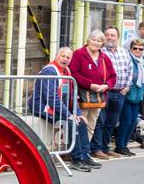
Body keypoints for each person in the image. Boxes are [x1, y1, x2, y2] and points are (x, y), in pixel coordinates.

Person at [31, 46, 98, 171]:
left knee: (81, 121)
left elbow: (71, 95)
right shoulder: (50, 71)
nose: (65, 59)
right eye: (63, 56)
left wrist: (78, 113)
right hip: (44, 108)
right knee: (72, 122)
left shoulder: (66, 71)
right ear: (57, 56)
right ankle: (76, 159)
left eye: (68, 57)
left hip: (57, 107)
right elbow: (52, 98)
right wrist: (68, 115)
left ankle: (85, 155)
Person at [70, 30, 116, 161]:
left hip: (98, 98)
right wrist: (91, 85)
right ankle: (78, 155)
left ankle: (85, 152)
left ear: (103, 44)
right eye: (94, 39)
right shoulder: (78, 54)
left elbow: (113, 76)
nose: (96, 42)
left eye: (99, 41)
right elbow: (74, 73)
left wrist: (106, 86)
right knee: (81, 126)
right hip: (82, 96)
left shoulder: (104, 57)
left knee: (91, 125)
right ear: (88, 40)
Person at [97, 27, 133, 156]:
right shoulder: (100, 52)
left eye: (112, 35)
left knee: (111, 123)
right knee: (100, 121)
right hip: (105, 92)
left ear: (117, 37)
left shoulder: (124, 52)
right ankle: (97, 148)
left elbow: (130, 70)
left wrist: (127, 87)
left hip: (120, 93)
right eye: (107, 35)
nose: (109, 37)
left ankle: (105, 148)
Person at [116, 37, 144, 156]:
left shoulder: (143, 61)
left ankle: (124, 146)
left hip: (138, 97)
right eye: (135, 48)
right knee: (125, 122)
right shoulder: (128, 59)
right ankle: (120, 146)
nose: (137, 51)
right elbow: (126, 75)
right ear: (130, 49)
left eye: (140, 49)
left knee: (132, 123)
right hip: (127, 96)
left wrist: (143, 91)